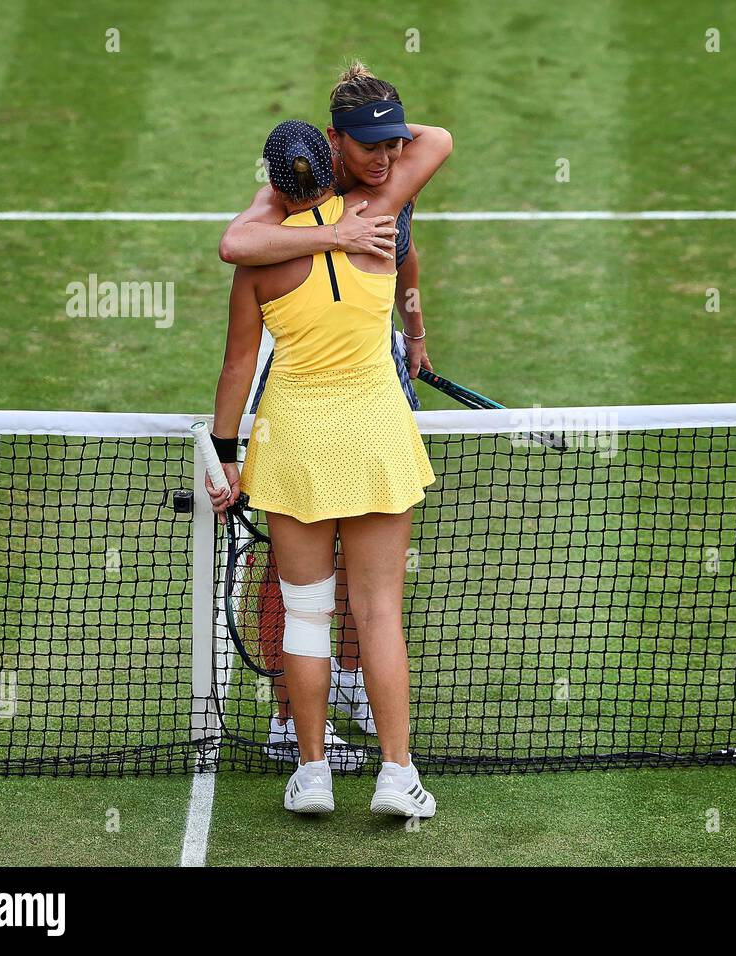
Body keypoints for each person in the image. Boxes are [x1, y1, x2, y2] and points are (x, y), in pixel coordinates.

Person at [207, 108, 451, 817]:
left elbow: (234, 369)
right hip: (376, 440)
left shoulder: (261, 262)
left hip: (296, 449)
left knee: (308, 616)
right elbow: (435, 142)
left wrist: (225, 457)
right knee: (378, 614)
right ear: (335, 159)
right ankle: (396, 775)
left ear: (278, 188)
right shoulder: (378, 219)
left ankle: (311, 773)